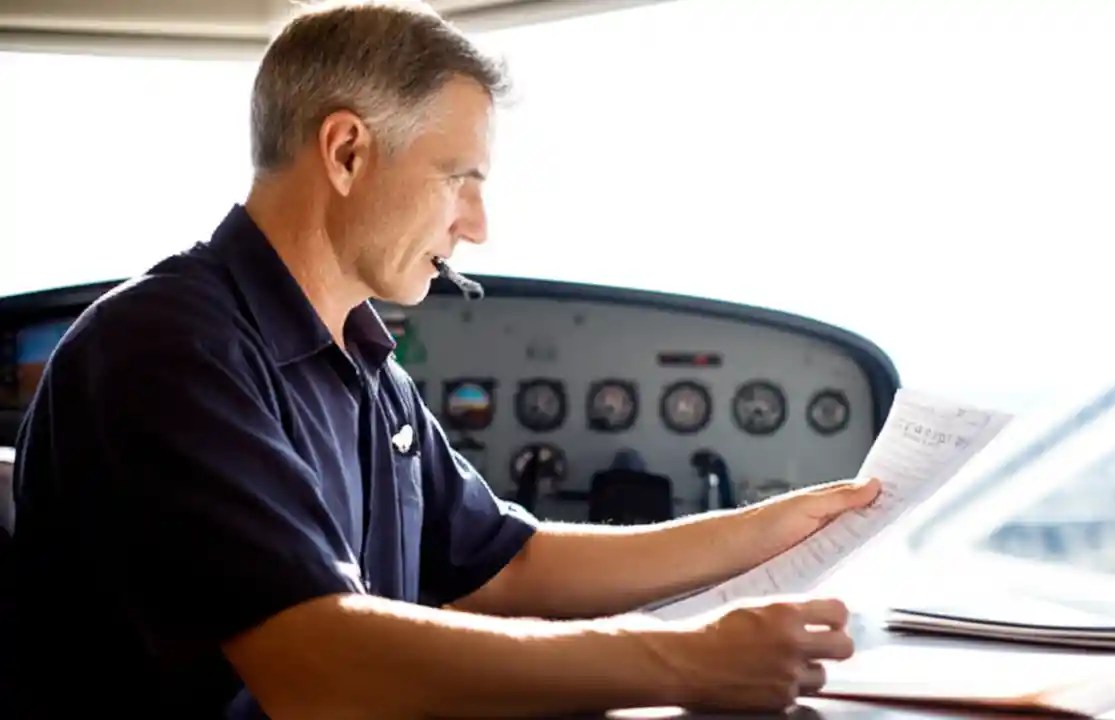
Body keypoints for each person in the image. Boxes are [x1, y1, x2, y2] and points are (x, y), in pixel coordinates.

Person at [3, 1, 882, 717]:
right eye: (460, 178)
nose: (477, 226)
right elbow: (317, 665)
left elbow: (508, 567)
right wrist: (683, 664)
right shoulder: (169, 350)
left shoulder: (360, 362)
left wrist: (771, 528)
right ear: (347, 152)